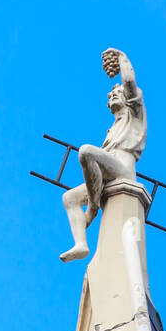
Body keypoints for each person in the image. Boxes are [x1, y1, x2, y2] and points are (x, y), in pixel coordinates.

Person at [60, 48, 146, 262]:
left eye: (117, 94)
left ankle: (92, 207)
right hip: (108, 174)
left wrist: (122, 58)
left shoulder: (135, 116)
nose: (112, 97)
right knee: (69, 197)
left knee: (86, 151)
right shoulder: (112, 129)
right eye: (110, 97)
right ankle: (81, 244)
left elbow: (128, 82)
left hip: (122, 170)